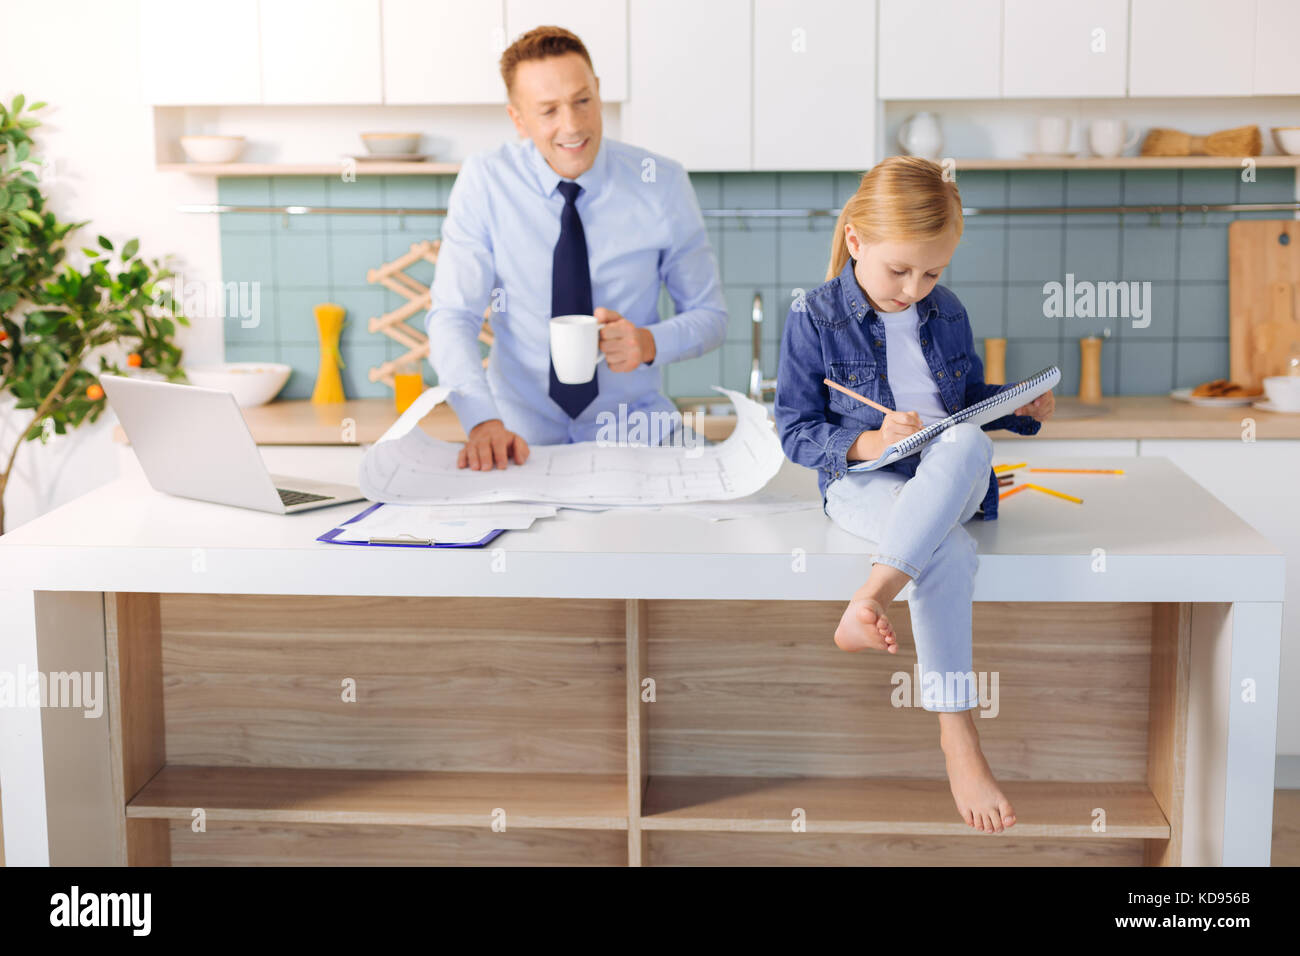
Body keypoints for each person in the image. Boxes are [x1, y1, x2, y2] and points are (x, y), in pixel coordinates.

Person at [774, 156, 1056, 834]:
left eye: (932, 272)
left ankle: (867, 599)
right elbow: (792, 428)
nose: (915, 287)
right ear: (856, 242)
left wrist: (1018, 407)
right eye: (900, 270)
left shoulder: (946, 312)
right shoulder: (813, 317)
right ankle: (959, 738)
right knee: (949, 551)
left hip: (947, 477)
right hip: (864, 485)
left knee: (962, 444)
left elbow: (960, 406)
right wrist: (869, 443)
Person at [427, 25, 728, 470]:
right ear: (518, 119)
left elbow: (711, 317)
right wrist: (481, 421)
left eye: (582, 101)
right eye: (547, 111)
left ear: (599, 92)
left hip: (637, 436)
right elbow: (454, 315)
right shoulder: (486, 181)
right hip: (518, 442)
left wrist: (648, 342)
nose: (572, 126)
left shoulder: (660, 182)